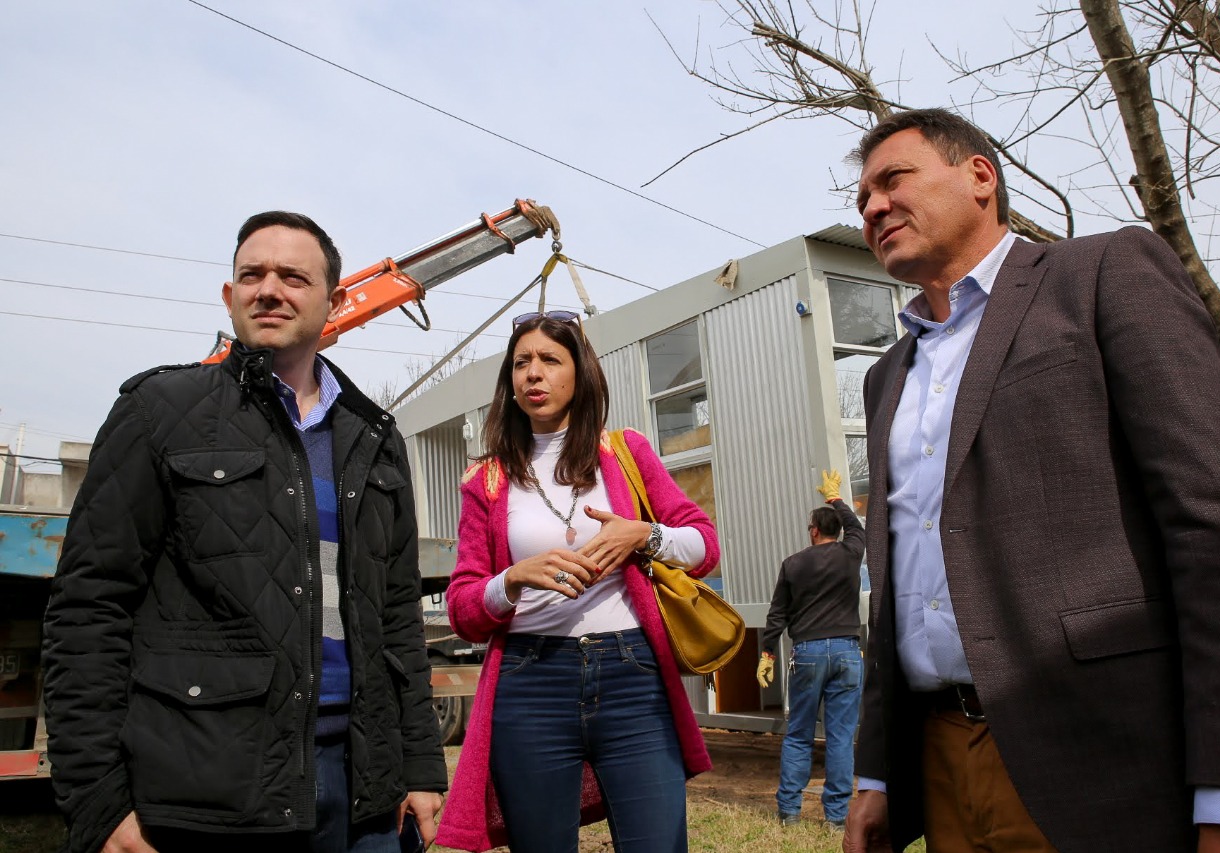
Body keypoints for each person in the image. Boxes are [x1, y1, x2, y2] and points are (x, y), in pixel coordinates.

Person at [842, 107, 1220, 853]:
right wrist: (876, 774)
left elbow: (1218, 530)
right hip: (940, 757)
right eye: (862, 200)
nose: (873, 207)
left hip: (1100, 759)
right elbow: (896, 586)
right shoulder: (887, 376)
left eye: (893, 180)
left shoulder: (1103, 273)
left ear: (980, 175)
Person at [42, 211, 447, 853]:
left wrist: (421, 765)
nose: (269, 289)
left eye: (292, 276)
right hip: (211, 789)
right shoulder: (161, 410)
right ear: (229, 297)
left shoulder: (374, 437)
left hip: (364, 785)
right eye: (251, 275)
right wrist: (96, 799)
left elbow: (397, 615)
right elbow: (91, 606)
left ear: (334, 301)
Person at [434, 311, 720, 853]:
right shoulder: (486, 478)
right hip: (530, 683)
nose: (532, 374)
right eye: (521, 363)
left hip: (632, 677)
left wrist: (644, 534)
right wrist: (511, 580)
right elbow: (463, 610)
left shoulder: (625, 452)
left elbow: (704, 547)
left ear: (580, 373)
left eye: (549, 360)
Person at [757, 469, 866, 831]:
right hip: (849, 653)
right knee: (840, 736)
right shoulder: (851, 553)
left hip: (808, 652)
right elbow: (858, 530)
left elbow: (778, 613)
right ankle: (836, 818)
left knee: (800, 732)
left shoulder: (794, 563)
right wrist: (836, 500)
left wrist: (767, 652)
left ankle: (789, 811)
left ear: (814, 531)